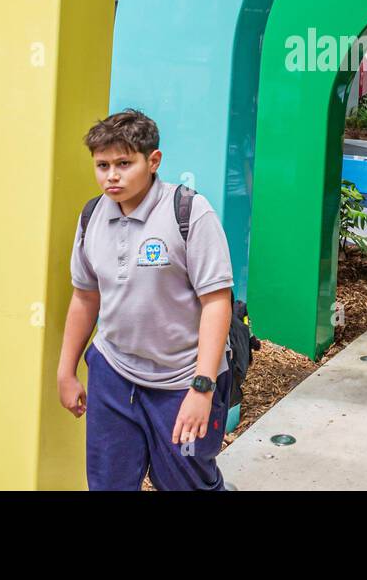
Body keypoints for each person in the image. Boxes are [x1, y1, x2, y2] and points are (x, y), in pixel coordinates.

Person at [57, 109, 235, 490]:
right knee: (108, 483)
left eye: (124, 163)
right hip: (114, 374)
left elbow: (217, 302)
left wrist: (201, 387)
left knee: (186, 483)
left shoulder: (188, 212)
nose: (112, 175)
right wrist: (66, 370)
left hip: (182, 379)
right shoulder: (91, 216)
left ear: (153, 161)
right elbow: (85, 297)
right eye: (102, 165)